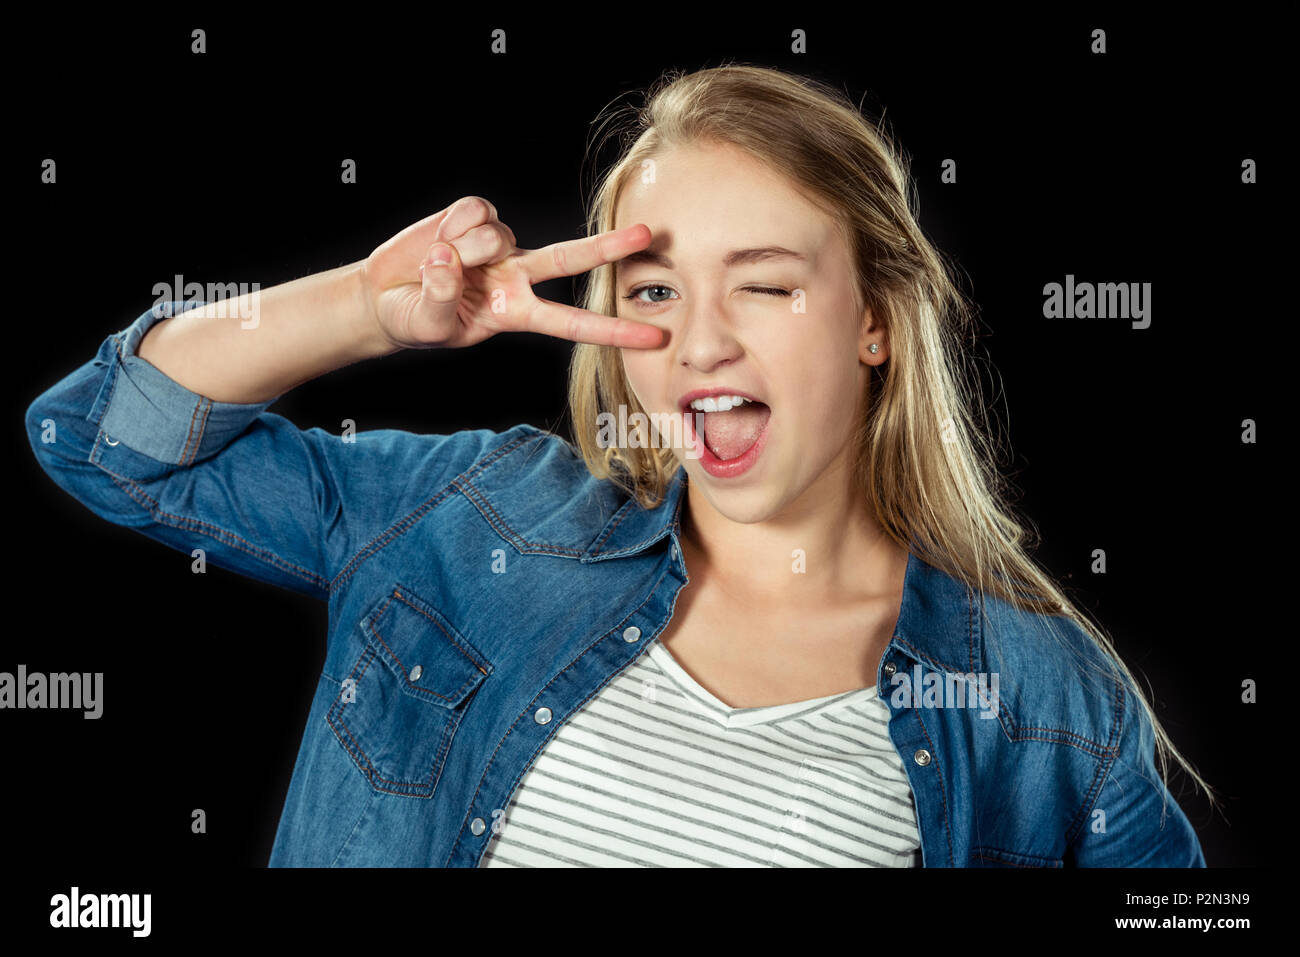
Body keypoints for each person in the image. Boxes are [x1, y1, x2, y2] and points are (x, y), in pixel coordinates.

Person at [25, 64, 1209, 867]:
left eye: (766, 281)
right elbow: (102, 442)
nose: (700, 341)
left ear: (876, 322)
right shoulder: (468, 514)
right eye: (654, 289)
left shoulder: (1037, 697)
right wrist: (369, 312)